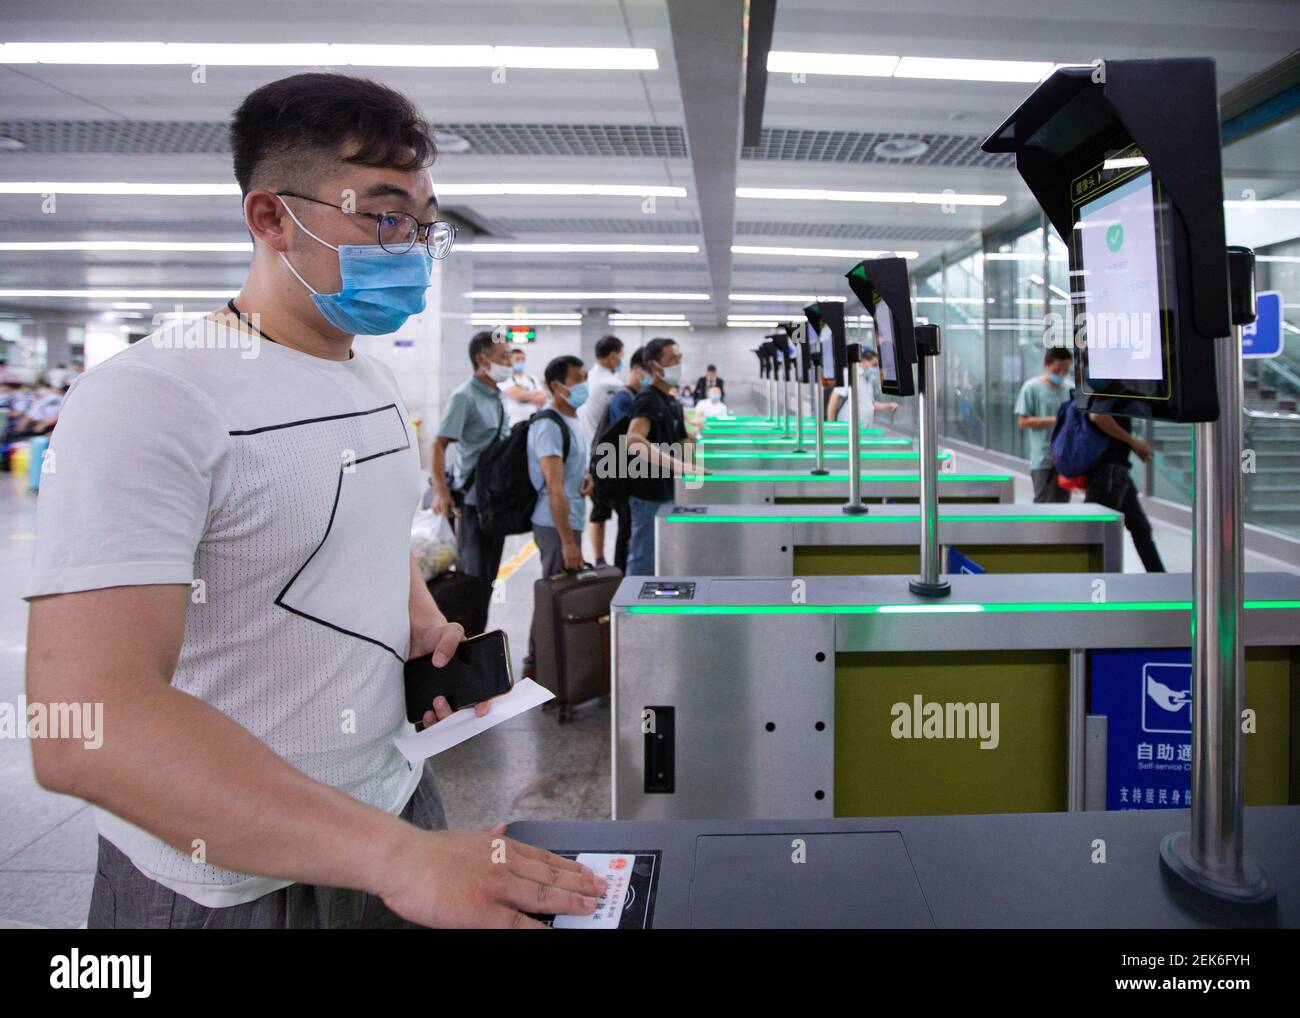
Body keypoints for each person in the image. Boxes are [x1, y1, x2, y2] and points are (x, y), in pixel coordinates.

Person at [25, 72, 603, 930]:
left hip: (398, 806)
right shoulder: (152, 397)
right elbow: (87, 726)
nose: (410, 244)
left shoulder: (363, 374)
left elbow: (365, 532)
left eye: (424, 222)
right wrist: (395, 858)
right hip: (237, 877)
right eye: (383, 216)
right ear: (269, 218)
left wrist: (417, 622)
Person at [431, 332, 514, 624]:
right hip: (470, 502)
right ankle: (465, 639)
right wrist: (442, 492)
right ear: (482, 359)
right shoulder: (464, 397)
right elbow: (439, 444)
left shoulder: (497, 396)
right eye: (504, 356)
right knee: (472, 576)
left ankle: (479, 635)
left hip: (496, 501)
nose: (509, 362)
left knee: (489, 576)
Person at [524, 355, 592, 678]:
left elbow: (567, 473)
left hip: (570, 518)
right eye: (578, 378)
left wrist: (585, 476)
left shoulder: (571, 420)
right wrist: (567, 542)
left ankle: (553, 661)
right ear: (557, 387)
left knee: (560, 593)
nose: (584, 384)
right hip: (554, 525)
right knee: (552, 595)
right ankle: (537, 666)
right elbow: (553, 487)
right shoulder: (548, 425)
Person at [625, 338, 698, 575]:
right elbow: (634, 441)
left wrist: (698, 472)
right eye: (673, 360)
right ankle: (633, 611)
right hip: (648, 494)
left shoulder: (671, 400)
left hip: (669, 491)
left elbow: (682, 439)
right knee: (644, 558)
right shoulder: (648, 399)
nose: (679, 364)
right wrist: (680, 466)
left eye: (680, 358)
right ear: (654, 366)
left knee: (663, 557)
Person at [589, 346, 645, 571]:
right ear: (638, 369)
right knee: (625, 528)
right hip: (619, 472)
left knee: (627, 527)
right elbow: (630, 438)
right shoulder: (623, 397)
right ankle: (620, 574)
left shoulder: (634, 396)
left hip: (628, 471)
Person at [1085, 412, 1165, 572]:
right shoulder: (1100, 387)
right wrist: (1133, 442)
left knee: (1140, 528)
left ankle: (1160, 577)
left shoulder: (1114, 389)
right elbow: (1097, 416)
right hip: (1107, 473)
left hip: (1119, 472)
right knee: (1097, 532)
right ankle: (1093, 582)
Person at [1014, 346, 1074, 503]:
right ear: (1046, 366)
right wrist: (1054, 420)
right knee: (1043, 502)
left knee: (1063, 503)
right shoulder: (1031, 388)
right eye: (1057, 370)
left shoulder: (1071, 389)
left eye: (1066, 370)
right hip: (1043, 459)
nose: (1061, 374)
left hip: (1066, 459)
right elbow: (1022, 421)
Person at [827, 348, 897, 425]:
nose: (875, 369)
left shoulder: (867, 380)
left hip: (864, 426)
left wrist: (889, 406)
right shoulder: (850, 375)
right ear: (863, 362)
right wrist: (831, 424)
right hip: (848, 425)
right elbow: (834, 398)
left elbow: (870, 404)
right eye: (874, 365)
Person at [576, 334, 623, 443]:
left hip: (585, 443)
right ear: (612, 357)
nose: (621, 361)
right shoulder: (614, 384)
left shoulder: (587, 378)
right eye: (621, 356)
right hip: (602, 449)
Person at [500, 346, 544, 426]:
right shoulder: (505, 379)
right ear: (510, 360)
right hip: (514, 424)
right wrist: (534, 394)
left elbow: (542, 398)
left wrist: (524, 396)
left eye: (523, 359)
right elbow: (518, 396)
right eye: (517, 359)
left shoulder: (532, 378)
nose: (520, 361)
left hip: (533, 422)